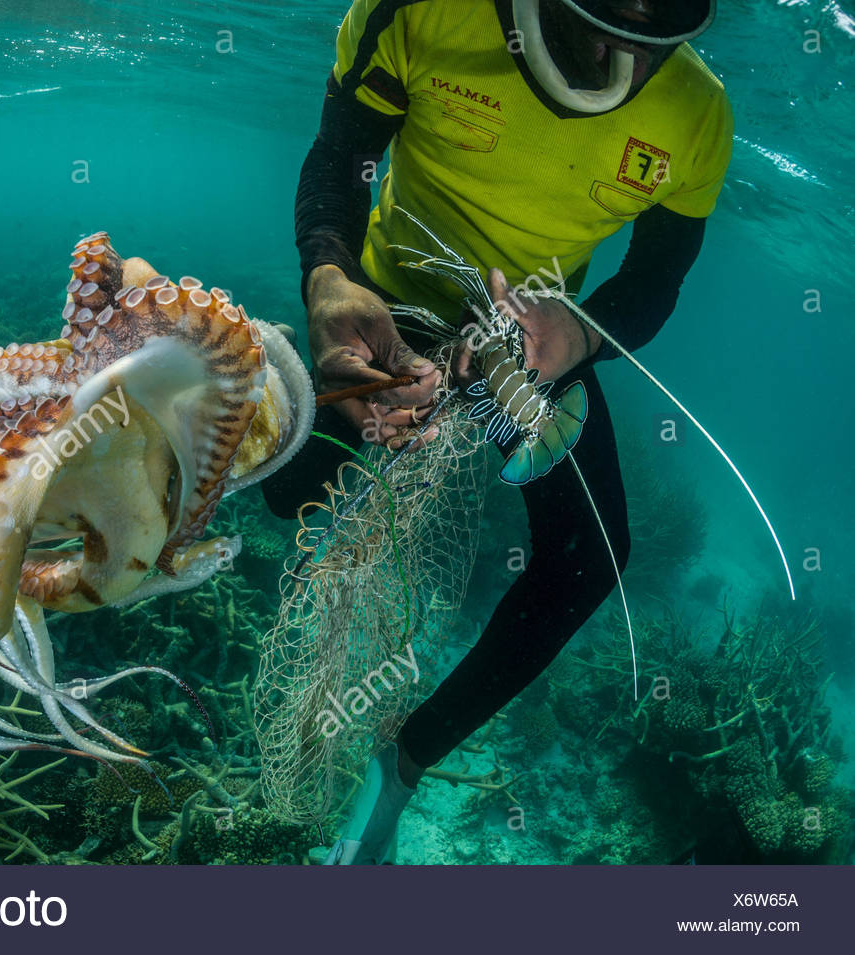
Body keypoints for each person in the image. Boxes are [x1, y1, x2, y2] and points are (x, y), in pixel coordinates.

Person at [263, 0, 729, 864]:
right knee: (288, 494)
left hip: (527, 345)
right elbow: (340, 157)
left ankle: (398, 771)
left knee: (590, 559)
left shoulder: (701, 114)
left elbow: (657, 279)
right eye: (594, 19)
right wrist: (329, 275)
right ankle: (276, 366)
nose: (614, 54)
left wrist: (582, 334)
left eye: (652, 38)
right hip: (389, 309)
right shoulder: (420, 11)